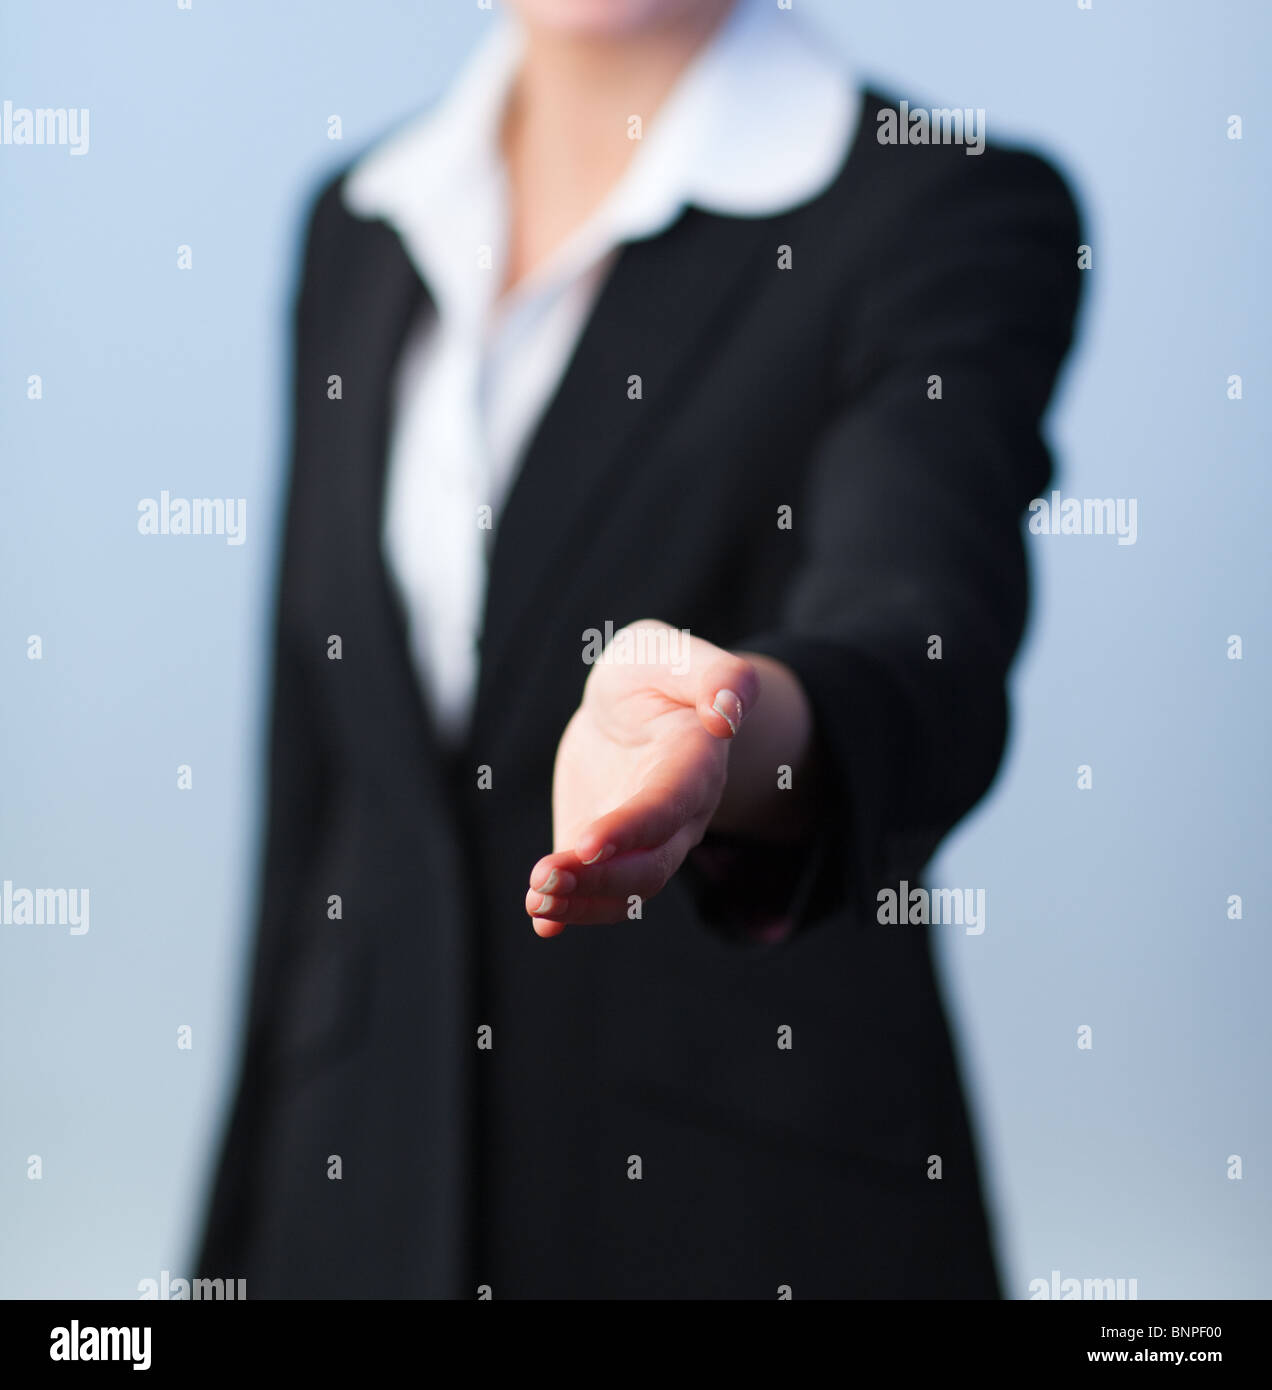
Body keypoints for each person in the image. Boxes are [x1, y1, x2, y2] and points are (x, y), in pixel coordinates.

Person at [197, 0, 1082, 1298]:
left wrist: (729, 730)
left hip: (748, 1223)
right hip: (349, 1214)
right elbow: (311, 811)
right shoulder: (360, 224)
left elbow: (918, 641)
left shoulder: (943, 209)